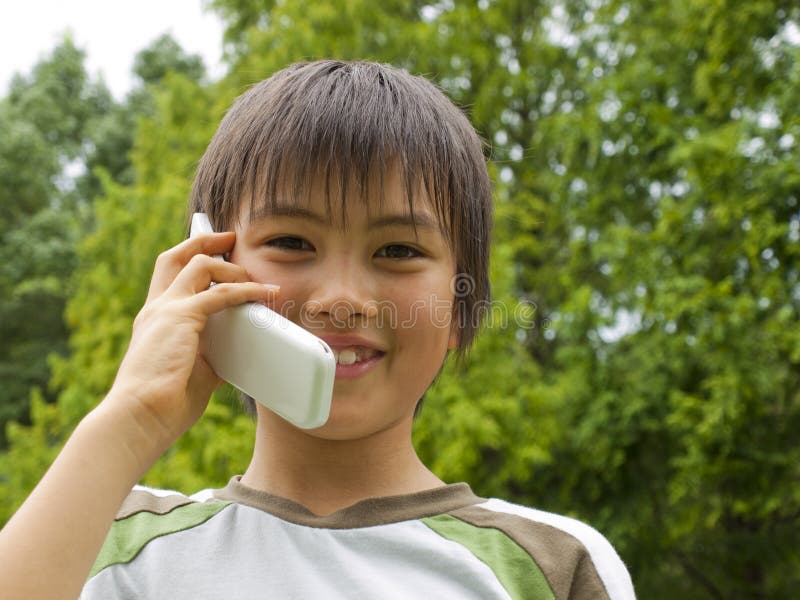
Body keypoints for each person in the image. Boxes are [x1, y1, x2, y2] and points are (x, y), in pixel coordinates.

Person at [0, 60, 635, 599]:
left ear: (461, 311)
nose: (341, 299)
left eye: (397, 252)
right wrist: (132, 419)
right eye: (291, 241)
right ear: (207, 272)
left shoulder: (550, 565)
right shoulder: (105, 542)